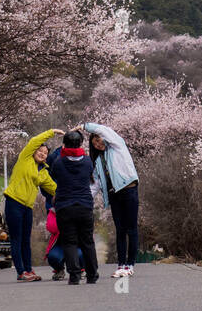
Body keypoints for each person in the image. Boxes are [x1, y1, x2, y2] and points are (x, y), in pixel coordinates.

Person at [2, 128, 63, 282]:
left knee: (25, 240)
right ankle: (21, 272)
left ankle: (28, 269)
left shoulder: (43, 172)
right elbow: (34, 141)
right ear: (34, 151)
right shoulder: (25, 158)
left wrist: (70, 195)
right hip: (14, 202)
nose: (42, 154)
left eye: (45, 153)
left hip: (27, 207)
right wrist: (51, 132)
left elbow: (53, 188)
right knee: (16, 239)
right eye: (40, 151)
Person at [83, 121, 139, 278]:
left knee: (131, 228)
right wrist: (85, 199)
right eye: (94, 143)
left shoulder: (117, 146)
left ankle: (130, 264)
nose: (98, 144)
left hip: (128, 189)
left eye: (99, 139)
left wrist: (84, 127)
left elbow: (104, 130)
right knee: (120, 230)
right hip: (114, 195)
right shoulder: (97, 161)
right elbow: (95, 185)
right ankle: (121, 264)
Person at [47, 129, 99, 285]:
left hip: (65, 206)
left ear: (64, 145)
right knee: (87, 241)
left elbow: (54, 175)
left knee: (69, 242)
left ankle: (74, 275)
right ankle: (92, 274)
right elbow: (90, 174)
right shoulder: (87, 161)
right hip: (84, 205)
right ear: (81, 143)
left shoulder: (59, 162)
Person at [44, 203, 83, 281]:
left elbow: (80, 227)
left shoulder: (77, 209)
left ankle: (81, 270)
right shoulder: (53, 211)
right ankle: (59, 270)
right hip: (59, 245)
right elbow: (52, 228)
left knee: (81, 254)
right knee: (52, 257)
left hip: (75, 244)